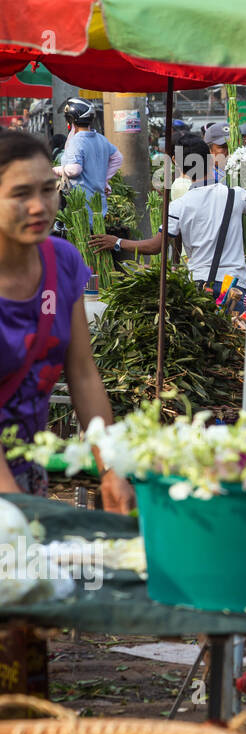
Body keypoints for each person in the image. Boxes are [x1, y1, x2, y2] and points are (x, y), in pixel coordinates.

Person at [0, 132, 134, 510]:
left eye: (48, 189)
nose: (40, 206)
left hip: (27, 473)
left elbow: (83, 373)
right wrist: (15, 512)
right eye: (20, 194)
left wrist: (110, 468)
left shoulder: (62, 261)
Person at [92, 145, 246, 302]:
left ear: (178, 165)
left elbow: (156, 246)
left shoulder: (179, 206)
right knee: (236, 329)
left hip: (201, 286)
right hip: (234, 287)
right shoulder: (237, 195)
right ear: (211, 160)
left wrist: (117, 242)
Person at [52, 97, 121, 220]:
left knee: (82, 238)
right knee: (97, 237)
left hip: (81, 207)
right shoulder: (101, 139)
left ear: (71, 119)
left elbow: (74, 170)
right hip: (99, 206)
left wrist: (54, 170)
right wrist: (105, 179)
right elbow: (118, 158)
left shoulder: (77, 141)